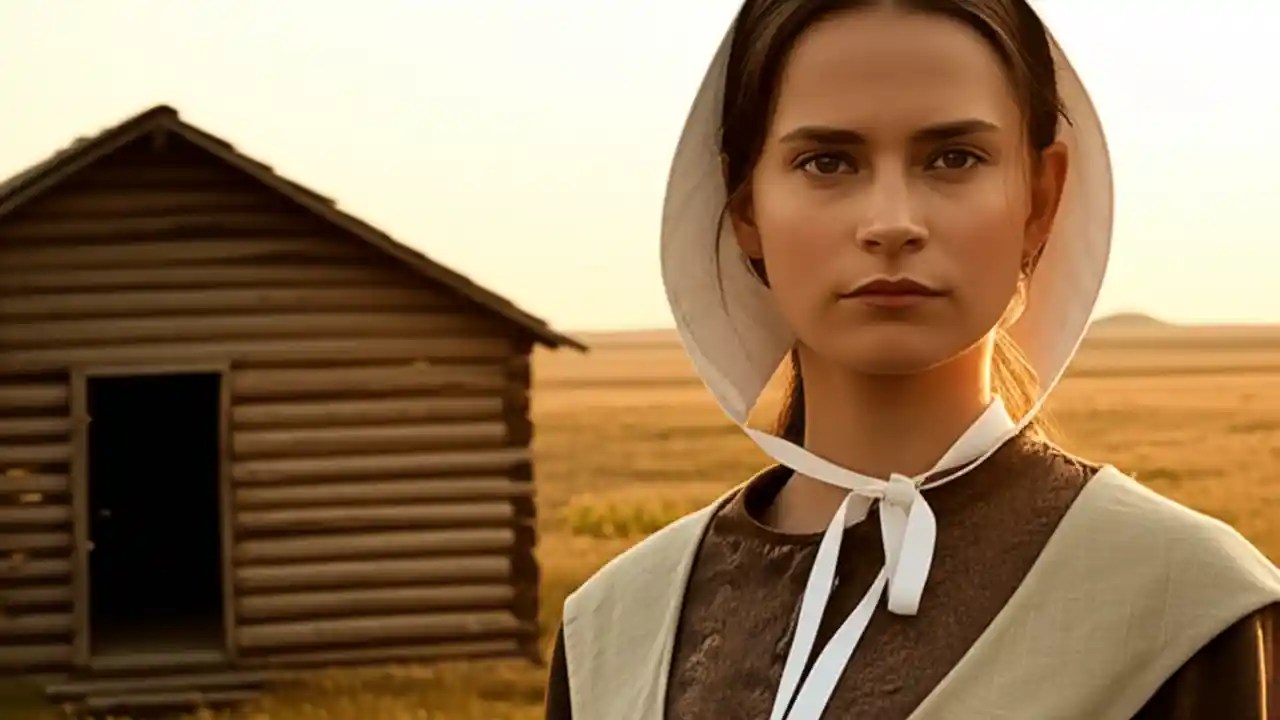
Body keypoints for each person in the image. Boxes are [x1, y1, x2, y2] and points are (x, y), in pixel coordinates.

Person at [544, 1, 1280, 717]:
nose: (891, 222)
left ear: (1040, 199)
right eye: (827, 161)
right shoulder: (615, 631)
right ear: (746, 213)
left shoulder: (1185, 611)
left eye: (954, 158)